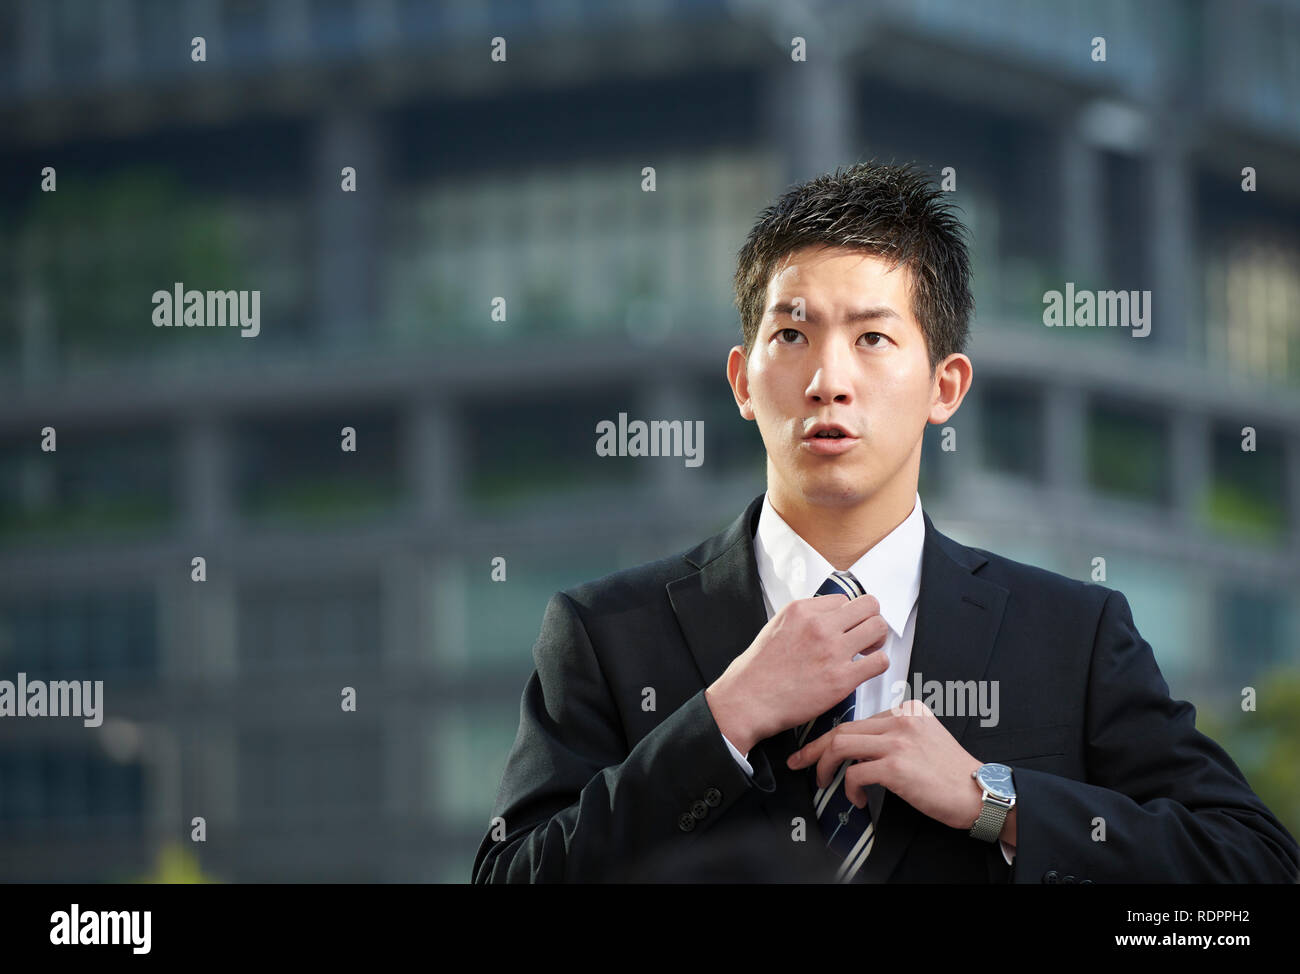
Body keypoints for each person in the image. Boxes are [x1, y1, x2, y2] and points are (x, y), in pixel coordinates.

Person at [471, 162, 1300, 883]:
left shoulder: (1073, 635)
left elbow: (1253, 869)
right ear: (742, 381)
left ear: (946, 388)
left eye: (872, 337)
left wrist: (995, 801)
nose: (829, 379)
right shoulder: (604, 633)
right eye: (791, 334)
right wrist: (719, 720)